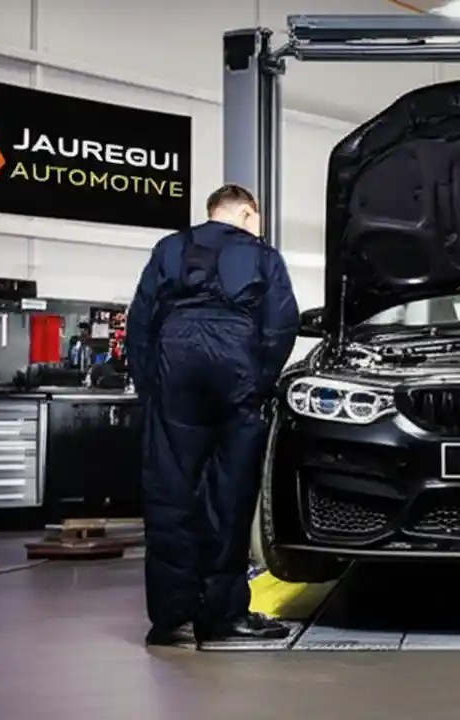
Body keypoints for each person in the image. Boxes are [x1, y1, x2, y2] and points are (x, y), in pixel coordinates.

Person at [126, 184, 300, 646]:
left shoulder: (169, 247)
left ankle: (171, 619)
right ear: (245, 212)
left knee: (170, 492)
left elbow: (141, 320)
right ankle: (222, 615)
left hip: (175, 365)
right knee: (230, 495)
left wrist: (151, 389)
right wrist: (259, 383)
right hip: (236, 367)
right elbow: (283, 321)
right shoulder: (262, 255)